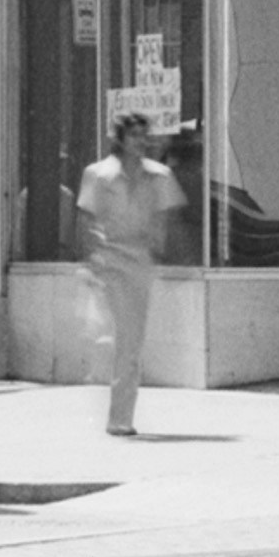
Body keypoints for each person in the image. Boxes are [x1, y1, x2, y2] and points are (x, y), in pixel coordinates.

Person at [76, 109, 171, 447]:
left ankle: (120, 416)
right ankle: (115, 412)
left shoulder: (157, 176)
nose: (140, 142)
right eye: (133, 135)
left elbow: (162, 221)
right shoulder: (99, 175)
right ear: (120, 138)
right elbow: (86, 219)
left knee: (130, 341)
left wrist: (158, 251)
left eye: (144, 136)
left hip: (138, 263)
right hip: (109, 259)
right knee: (115, 339)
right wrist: (92, 260)